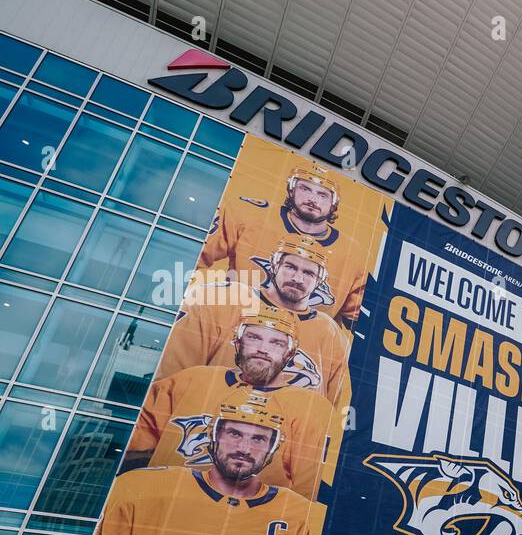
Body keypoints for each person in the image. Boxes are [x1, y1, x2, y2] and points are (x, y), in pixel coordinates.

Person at [81, 397, 310, 535]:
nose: (244, 448)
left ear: (273, 447)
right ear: (214, 435)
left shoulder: (299, 513)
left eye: (259, 439)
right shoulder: (141, 488)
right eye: (235, 433)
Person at [120, 301, 336, 499]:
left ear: (290, 354)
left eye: (277, 343)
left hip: (246, 525)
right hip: (163, 509)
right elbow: (131, 441)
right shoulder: (193, 379)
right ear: (238, 341)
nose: (263, 349)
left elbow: (308, 493)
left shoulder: (311, 408)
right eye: (254, 337)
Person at [155, 239, 351, 405]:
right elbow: (171, 378)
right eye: (290, 267)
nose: (297, 278)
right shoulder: (223, 298)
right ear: (274, 266)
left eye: (309, 273)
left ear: (319, 281)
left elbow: (331, 407)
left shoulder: (330, 332)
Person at [200, 158, 371, 328]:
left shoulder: (353, 255)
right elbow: (198, 255)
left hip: (302, 345)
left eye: (323, 194)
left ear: (334, 203)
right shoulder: (250, 215)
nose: (313, 199)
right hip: (236, 325)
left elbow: (359, 326)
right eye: (305, 188)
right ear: (291, 189)